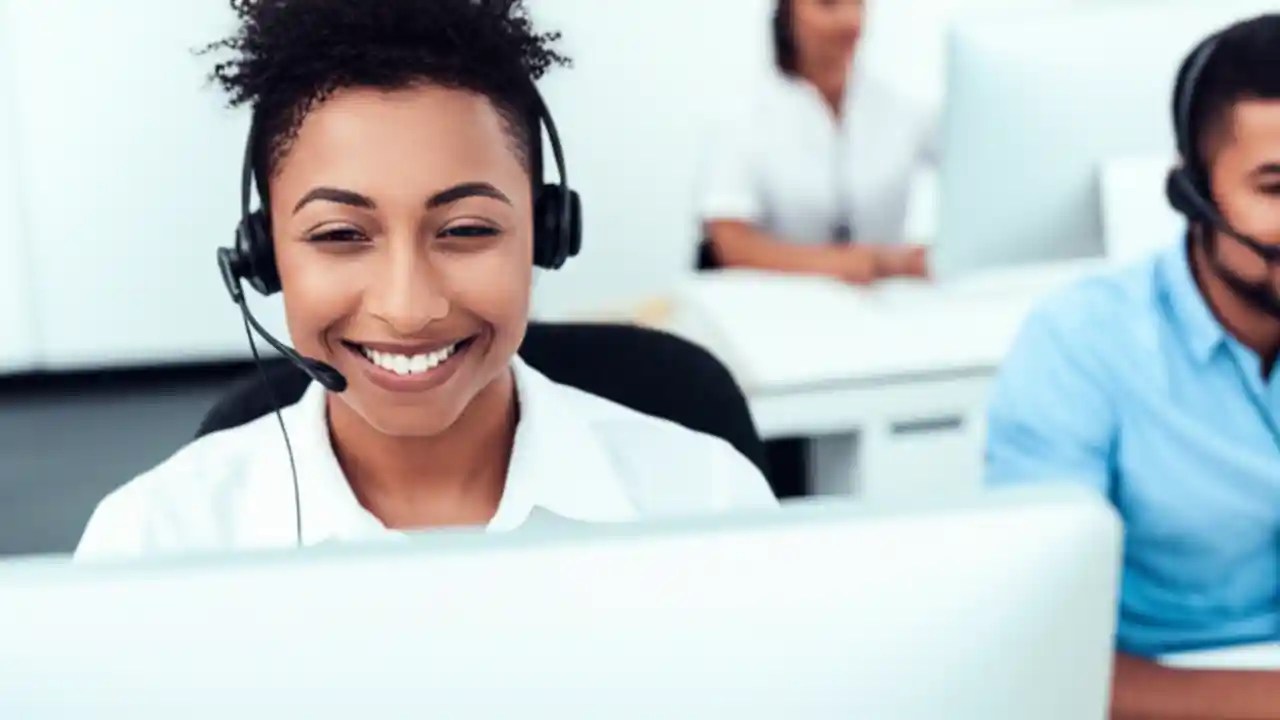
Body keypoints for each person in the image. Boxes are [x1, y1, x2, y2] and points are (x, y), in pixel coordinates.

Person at [76, 0, 776, 560]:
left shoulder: (708, 505)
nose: (408, 309)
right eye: (341, 235)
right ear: (263, 256)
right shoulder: (156, 544)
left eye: (465, 230)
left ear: (546, 234)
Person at [985, 15, 1280, 720]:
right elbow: (1033, 647)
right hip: (1158, 696)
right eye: (1276, 187)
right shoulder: (1081, 344)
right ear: (1194, 193)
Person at [697, 0, 934, 283]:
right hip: (774, 299)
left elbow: (972, 164)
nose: (851, 21)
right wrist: (867, 263)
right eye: (828, 4)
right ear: (788, 13)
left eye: (858, 4)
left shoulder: (900, 109)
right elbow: (731, 244)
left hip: (888, 300)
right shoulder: (744, 113)